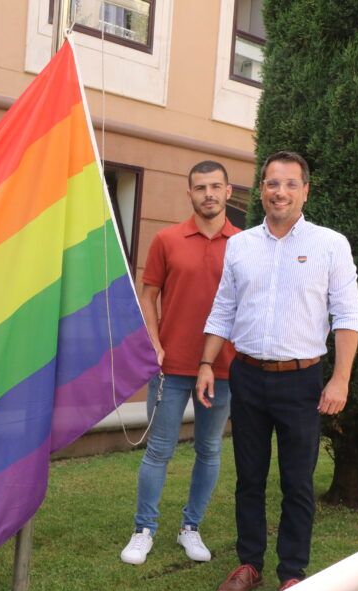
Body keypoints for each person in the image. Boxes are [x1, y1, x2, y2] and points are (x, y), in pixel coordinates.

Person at [196, 151, 358, 591]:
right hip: (246, 376)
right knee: (249, 476)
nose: (280, 192)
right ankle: (249, 563)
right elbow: (223, 309)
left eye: (290, 184)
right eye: (272, 183)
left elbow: (347, 315)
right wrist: (207, 363)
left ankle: (292, 573)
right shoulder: (241, 245)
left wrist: (340, 379)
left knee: (297, 481)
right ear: (262, 189)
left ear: (305, 190)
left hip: (302, 382)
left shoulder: (331, 244)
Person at [120, 161, 240, 565]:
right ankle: (144, 529)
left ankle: (191, 527)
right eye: (200, 187)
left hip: (222, 367)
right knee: (159, 450)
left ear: (229, 192)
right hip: (171, 366)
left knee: (208, 449)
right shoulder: (167, 240)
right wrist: (154, 343)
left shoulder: (245, 244)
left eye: (216, 187)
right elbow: (148, 295)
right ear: (189, 193)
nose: (208, 193)